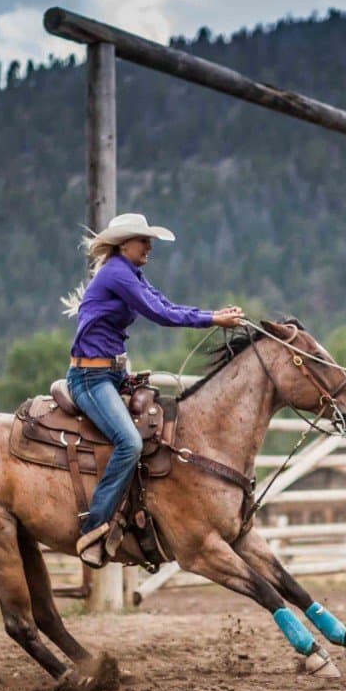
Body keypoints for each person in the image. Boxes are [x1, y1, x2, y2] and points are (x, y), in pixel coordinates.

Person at [64, 212, 244, 567]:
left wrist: (212, 315)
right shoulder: (117, 273)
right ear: (124, 243)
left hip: (109, 375)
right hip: (91, 378)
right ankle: (95, 526)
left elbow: (165, 305)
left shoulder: (130, 273)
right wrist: (212, 319)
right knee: (129, 442)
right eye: (143, 240)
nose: (149, 246)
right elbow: (159, 314)